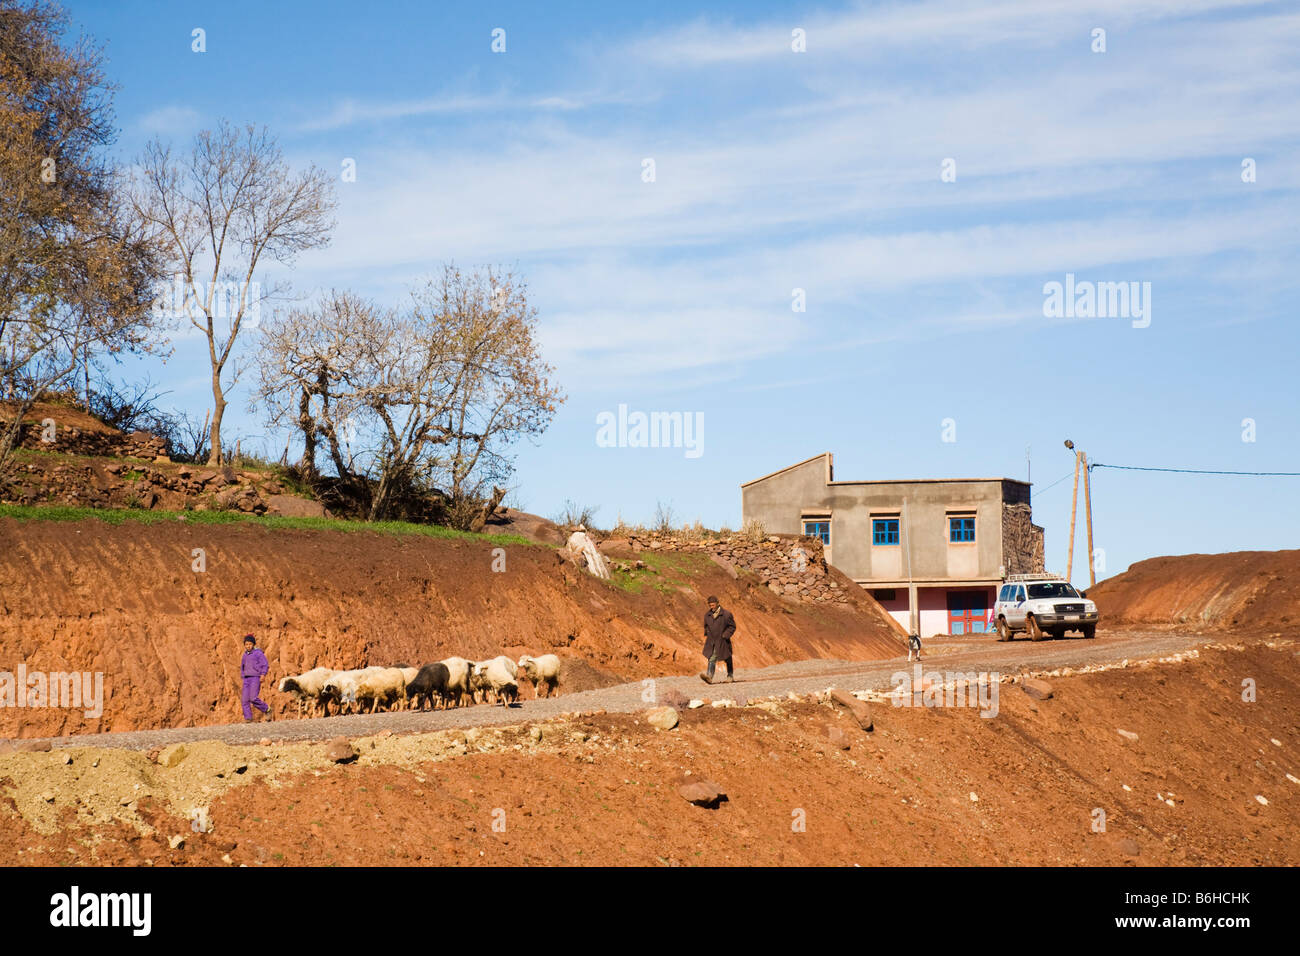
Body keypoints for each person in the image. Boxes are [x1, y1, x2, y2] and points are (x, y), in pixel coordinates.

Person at [700, 595, 736, 684]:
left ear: (717, 603)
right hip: (712, 641)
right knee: (711, 657)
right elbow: (706, 626)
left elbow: (732, 626)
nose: (711, 607)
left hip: (723, 640)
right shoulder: (707, 615)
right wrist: (707, 634)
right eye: (710, 605)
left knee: (727, 657)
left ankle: (730, 675)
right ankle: (709, 676)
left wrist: (725, 635)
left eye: (713, 605)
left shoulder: (726, 614)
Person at [240, 634, 271, 722]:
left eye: (250, 644)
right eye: (246, 644)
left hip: (255, 678)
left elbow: (265, 664)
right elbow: (242, 666)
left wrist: (263, 674)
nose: (248, 646)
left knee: (253, 698)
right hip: (246, 679)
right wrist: (243, 675)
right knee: (244, 699)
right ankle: (248, 718)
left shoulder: (258, 653)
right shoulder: (244, 655)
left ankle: (267, 709)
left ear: (253, 644)